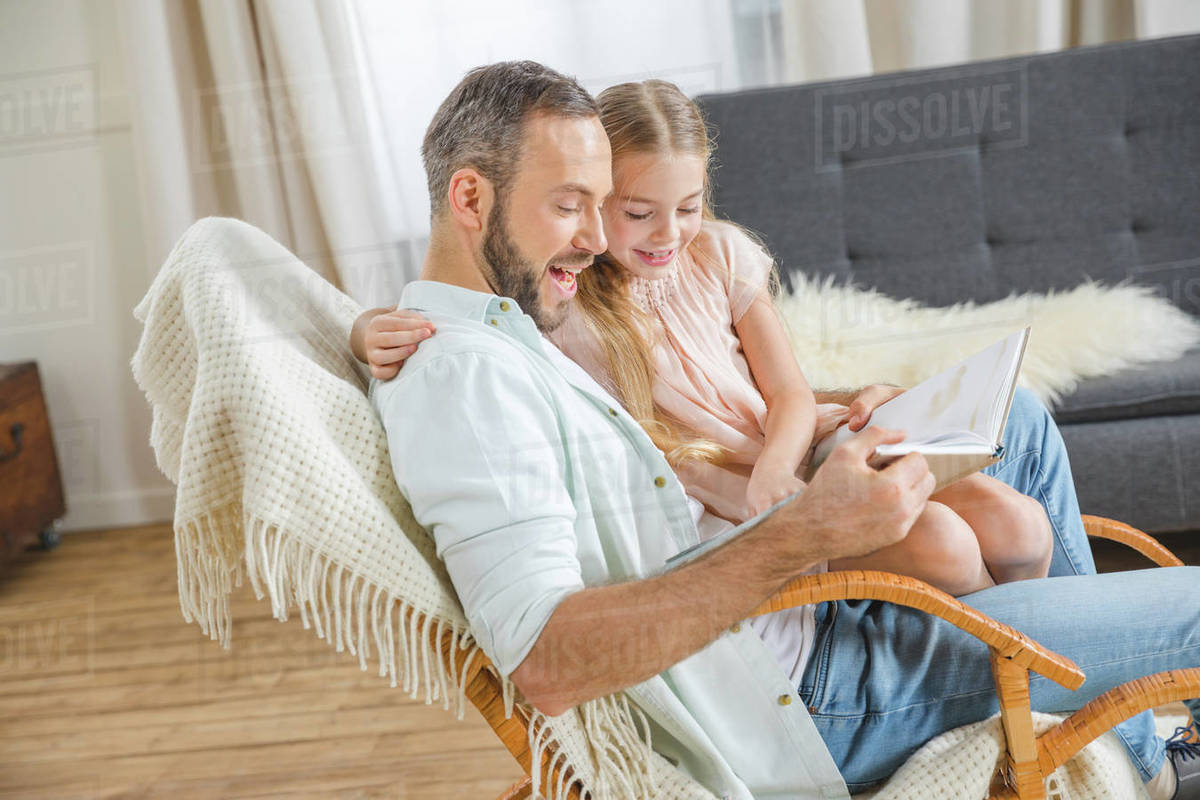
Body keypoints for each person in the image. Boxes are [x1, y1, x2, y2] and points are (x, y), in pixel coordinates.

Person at [368, 60, 1199, 799]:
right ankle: (1147, 752)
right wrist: (806, 528)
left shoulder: (505, 320)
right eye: (569, 207)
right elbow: (545, 662)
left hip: (812, 616)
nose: (593, 242)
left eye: (597, 206)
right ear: (470, 198)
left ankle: (1137, 749)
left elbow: (719, 390)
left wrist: (362, 325)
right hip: (810, 687)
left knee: (1017, 418)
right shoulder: (466, 374)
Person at [354, 79, 1054, 608]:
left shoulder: (717, 254)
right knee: (946, 544)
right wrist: (364, 328)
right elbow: (468, 302)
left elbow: (788, 392)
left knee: (1017, 524)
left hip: (798, 451)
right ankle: (1020, 674)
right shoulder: (565, 294)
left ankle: (1051, 662)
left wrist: (780, 464)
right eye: (637, 213)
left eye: (687, 208)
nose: (668, 234)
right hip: (732, 497)